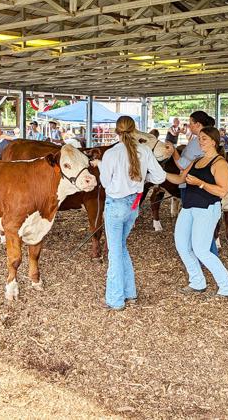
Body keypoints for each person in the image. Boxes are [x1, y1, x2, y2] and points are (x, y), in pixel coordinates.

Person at [99, 116, 166, 311]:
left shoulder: (111, 154)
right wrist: (144, 179)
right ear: (134, 130)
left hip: (115, 204)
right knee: (121, 246)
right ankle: (130, 292)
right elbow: (160, 176)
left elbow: (105, 182)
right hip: (133, 205)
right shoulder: (144, 151)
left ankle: (115, 299)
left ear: (116, 131)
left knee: (115, 252)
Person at [165, 126, 228, 298]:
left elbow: (222, 191)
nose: (200, 141)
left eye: (204, 138)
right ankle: (197, 282)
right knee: (182, 245)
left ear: (214, 141)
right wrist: (159, 174)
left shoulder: (220, 163)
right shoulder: (197, 160)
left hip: (206, 209)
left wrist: (200, 183)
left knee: (201, 250)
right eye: (199, 138)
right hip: (188, 207)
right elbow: (180, 178)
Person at [172, 111, 219, 256]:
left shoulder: (196, 143)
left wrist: (173, 151)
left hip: (192, 186)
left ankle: (207, 255)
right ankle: (206, 254)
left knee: (199, 226)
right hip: (199, 185)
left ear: (198, 124)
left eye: (191, 122)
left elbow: (182, 165)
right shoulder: (200, 140)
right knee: (203, 226)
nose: (189, 125)